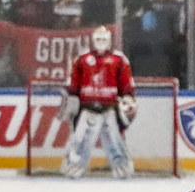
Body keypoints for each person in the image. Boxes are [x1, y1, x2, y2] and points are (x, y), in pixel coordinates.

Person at [59, 25, 137, 179]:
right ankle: (74, 165)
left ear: (109, 41)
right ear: (93, 41)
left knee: (114, 140)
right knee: (80, 140)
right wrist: (71, 97)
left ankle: (121, 166)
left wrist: (128, 98)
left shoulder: (119, 59)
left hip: (110, 109)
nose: (101, 42)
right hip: (87, 108)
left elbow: (126, 84)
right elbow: (74, 83)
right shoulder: (82, 59)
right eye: (98, 39)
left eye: (104, 39)